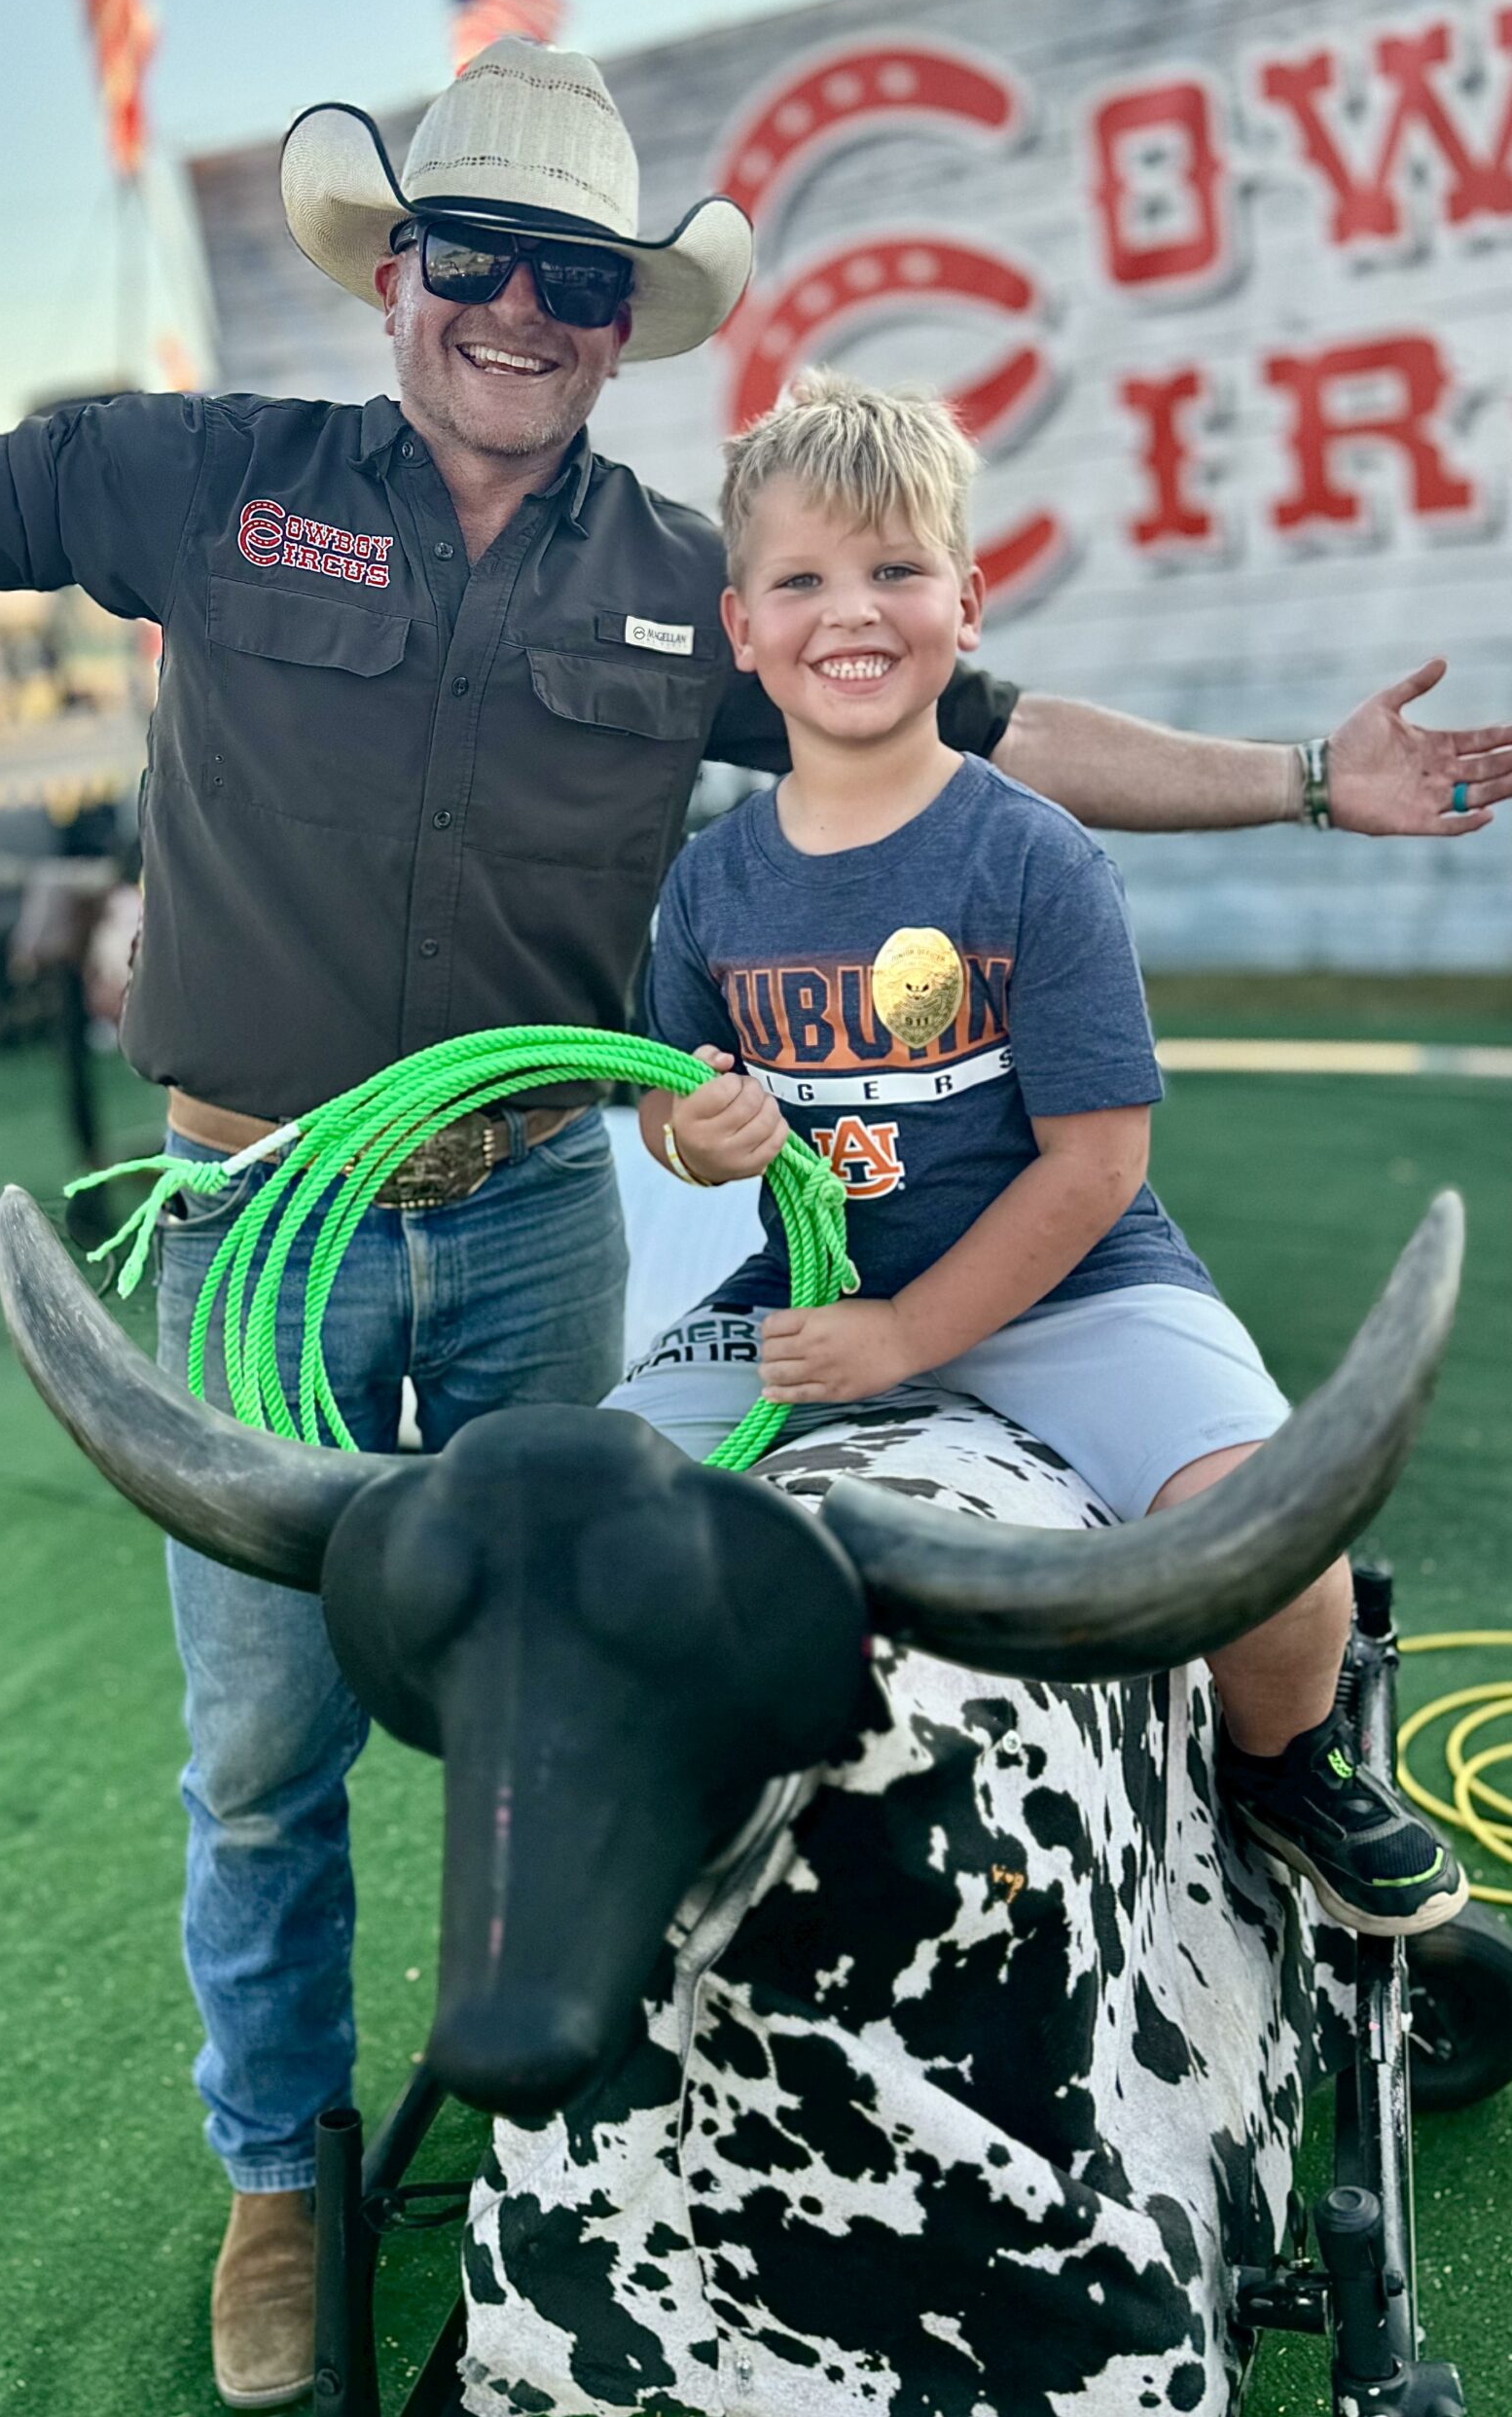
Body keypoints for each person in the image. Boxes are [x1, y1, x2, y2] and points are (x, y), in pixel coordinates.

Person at [0, 32, 1502, 2412]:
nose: (518, 310)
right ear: (395, 272)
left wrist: (1303, 789)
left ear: (627, 322)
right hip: (258, 1228)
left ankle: (614, 2089)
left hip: (534, 1216)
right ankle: (284, 2170)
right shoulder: (204, 482)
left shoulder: (674, 581)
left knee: (579, 1672)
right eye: (475, 257)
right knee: (259, 1746)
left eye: (573, 280)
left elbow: (1000, 725)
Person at [616, 368, 1466, 1951]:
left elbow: (1090, 1170)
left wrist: (905, 1344)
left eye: (891, 571)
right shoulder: (709, 885)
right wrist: (699, 1134)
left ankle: (1284, 1763)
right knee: (585, 1518)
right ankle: (644, 1835)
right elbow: (678, 1110)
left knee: (1267, 1527)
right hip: (808, 1288)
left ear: (968, 602)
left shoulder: (1032, 853)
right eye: (798, 580)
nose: (847, 613)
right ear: (742, 632)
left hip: (1065, 1284)